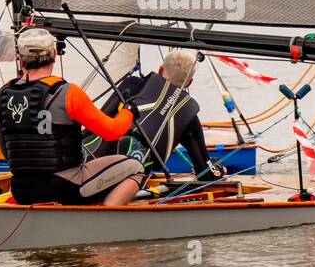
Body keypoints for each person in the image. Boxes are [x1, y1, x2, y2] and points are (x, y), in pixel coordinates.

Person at [0, 27, 147, 207]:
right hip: (64, 189)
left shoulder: (1, 96)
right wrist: (128, 111)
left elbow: (7, 152)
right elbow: (112, 132)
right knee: (136, 168)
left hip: (21, 191)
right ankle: (104, 220)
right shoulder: (68, 93)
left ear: (20, 58)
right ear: (55, 54)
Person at [89, 48, 228, 182]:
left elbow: (95, 123)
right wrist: (220, 169)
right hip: (128, 179)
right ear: (189, 82)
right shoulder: (188, 116)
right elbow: (205, 173)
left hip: (92, 164)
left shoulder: (131, 84)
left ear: (160, 70)